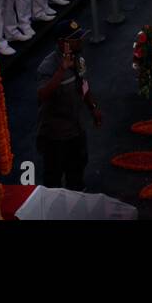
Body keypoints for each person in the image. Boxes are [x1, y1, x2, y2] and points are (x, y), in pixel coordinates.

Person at [36, 22, 101, 190]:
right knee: (53, 179)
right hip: (55, 136)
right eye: (75, 39)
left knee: (78, 169)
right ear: (61, 43)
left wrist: (93, 108)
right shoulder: (48, 66)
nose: (80, 41)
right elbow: (42, 95)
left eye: (80, 37)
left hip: (76, 130)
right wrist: (61, 70)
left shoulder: (78, 59)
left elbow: (83, 84)